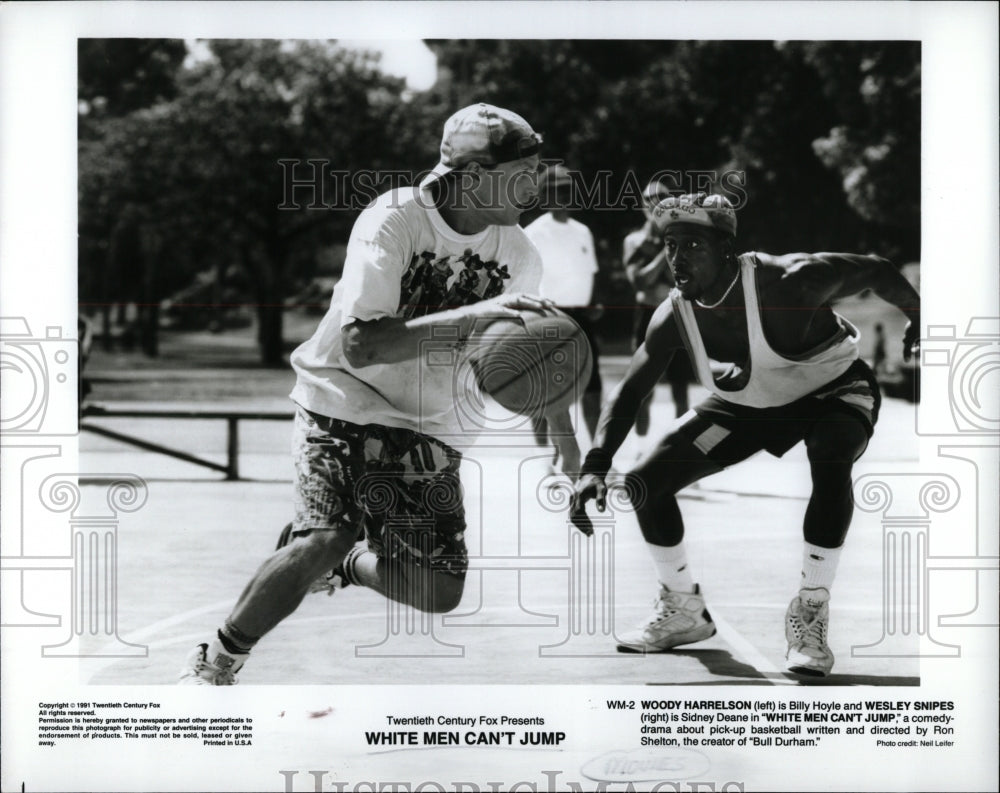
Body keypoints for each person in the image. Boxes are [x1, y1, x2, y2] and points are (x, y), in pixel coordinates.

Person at [180, 103, 580, 684]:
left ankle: (349, 564)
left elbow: (532, 353)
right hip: (343, 397)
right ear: (472, 175)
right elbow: (363, 345)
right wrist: (478, 315)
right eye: (521, 172)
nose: (535, 184)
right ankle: (216, 664)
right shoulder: (393, 219)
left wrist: (566, 440)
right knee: (325, 531)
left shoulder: (520, 254)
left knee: (441, 591)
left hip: (430, 423)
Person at [570, 192, 920, 677]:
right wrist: (595, 466)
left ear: (726, 249)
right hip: (751, 405)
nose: (677, 258)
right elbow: (631, 392)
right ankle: (683, 608)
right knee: (646, 484)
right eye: (670, 245)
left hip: (832, 389)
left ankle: (810, 610)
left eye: (692, 244)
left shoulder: (790, 281)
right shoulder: (674, 315)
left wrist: (918, 316)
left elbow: (878, 269)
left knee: (830, 451)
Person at [523, 164, 603, 467]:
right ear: (544, 194)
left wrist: (594, 304)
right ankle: (546, 453)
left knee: (592, 387)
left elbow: (589, 273)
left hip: (581, 317)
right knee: (552, 389)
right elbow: (526, 279)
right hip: (550, 316)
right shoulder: (534, 233)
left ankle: (598, 454)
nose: (562, 195)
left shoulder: (583, 231)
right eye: (555, 189)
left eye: (567, 189)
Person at [623, 180, 693, 435]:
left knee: (681, 387)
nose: (653, 205)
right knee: (642, 388)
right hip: (647, 316)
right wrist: (665, 255)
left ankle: (682, 453)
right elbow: (640, 281)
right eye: (648, 200)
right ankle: (640, 450)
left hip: (677, 314)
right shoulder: (634, 241)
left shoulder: (682, 238)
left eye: (660, 199)